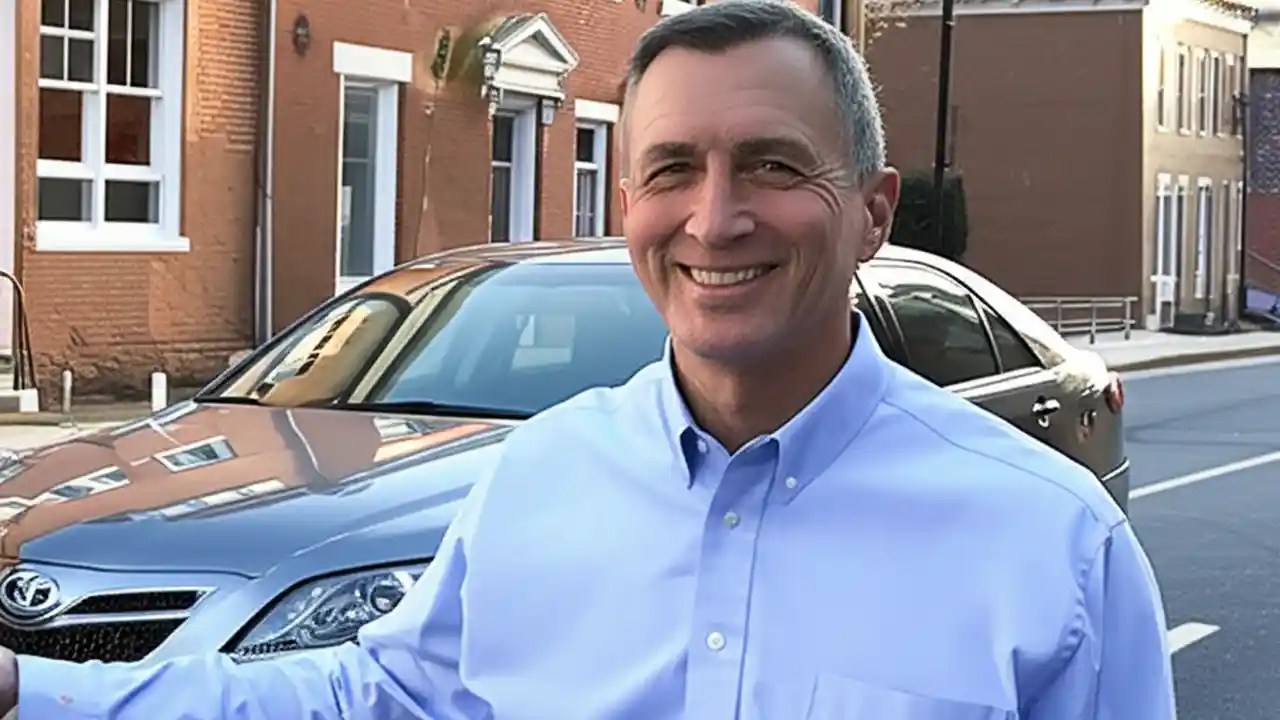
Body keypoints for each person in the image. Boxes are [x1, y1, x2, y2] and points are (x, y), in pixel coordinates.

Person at [1, 1, 1175, 717]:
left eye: (772, 165)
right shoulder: (536, 481)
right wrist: (29, 689)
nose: (714, 219)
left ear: (872, 212)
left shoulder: (1048, 541)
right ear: (627, 209)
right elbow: (378, 697)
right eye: (672, 170)